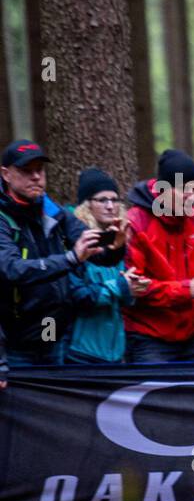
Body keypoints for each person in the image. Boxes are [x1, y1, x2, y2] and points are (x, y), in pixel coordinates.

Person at [0, 140, 127, 367]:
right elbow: (12, 269)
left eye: (39, 170)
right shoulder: (3, 217)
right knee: (20, 400)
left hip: (51, 329)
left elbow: (92, 246)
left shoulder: (52, 210)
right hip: (14, 339)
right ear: (6, 174)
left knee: (52, 396)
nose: (36, 177)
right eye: (26, 171)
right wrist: (70, 258)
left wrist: (115, 246)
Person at [122, 149, 194, 362]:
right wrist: (188, 289)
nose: (192, 197)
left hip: (190, 336)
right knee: (155, 396)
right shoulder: (136, 223)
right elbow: (135, 288)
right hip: (147, 339)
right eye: (185, 190)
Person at [65, 169, 150, 364]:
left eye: (114, 200)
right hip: (80, 353)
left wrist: (132, 289)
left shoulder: (119, 241)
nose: (110, 206)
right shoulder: (76, 241)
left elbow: (122, 296)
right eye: (102, 200)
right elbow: (79, 296)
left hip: (115, 353)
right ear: (87, 204)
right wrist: (119, 286)